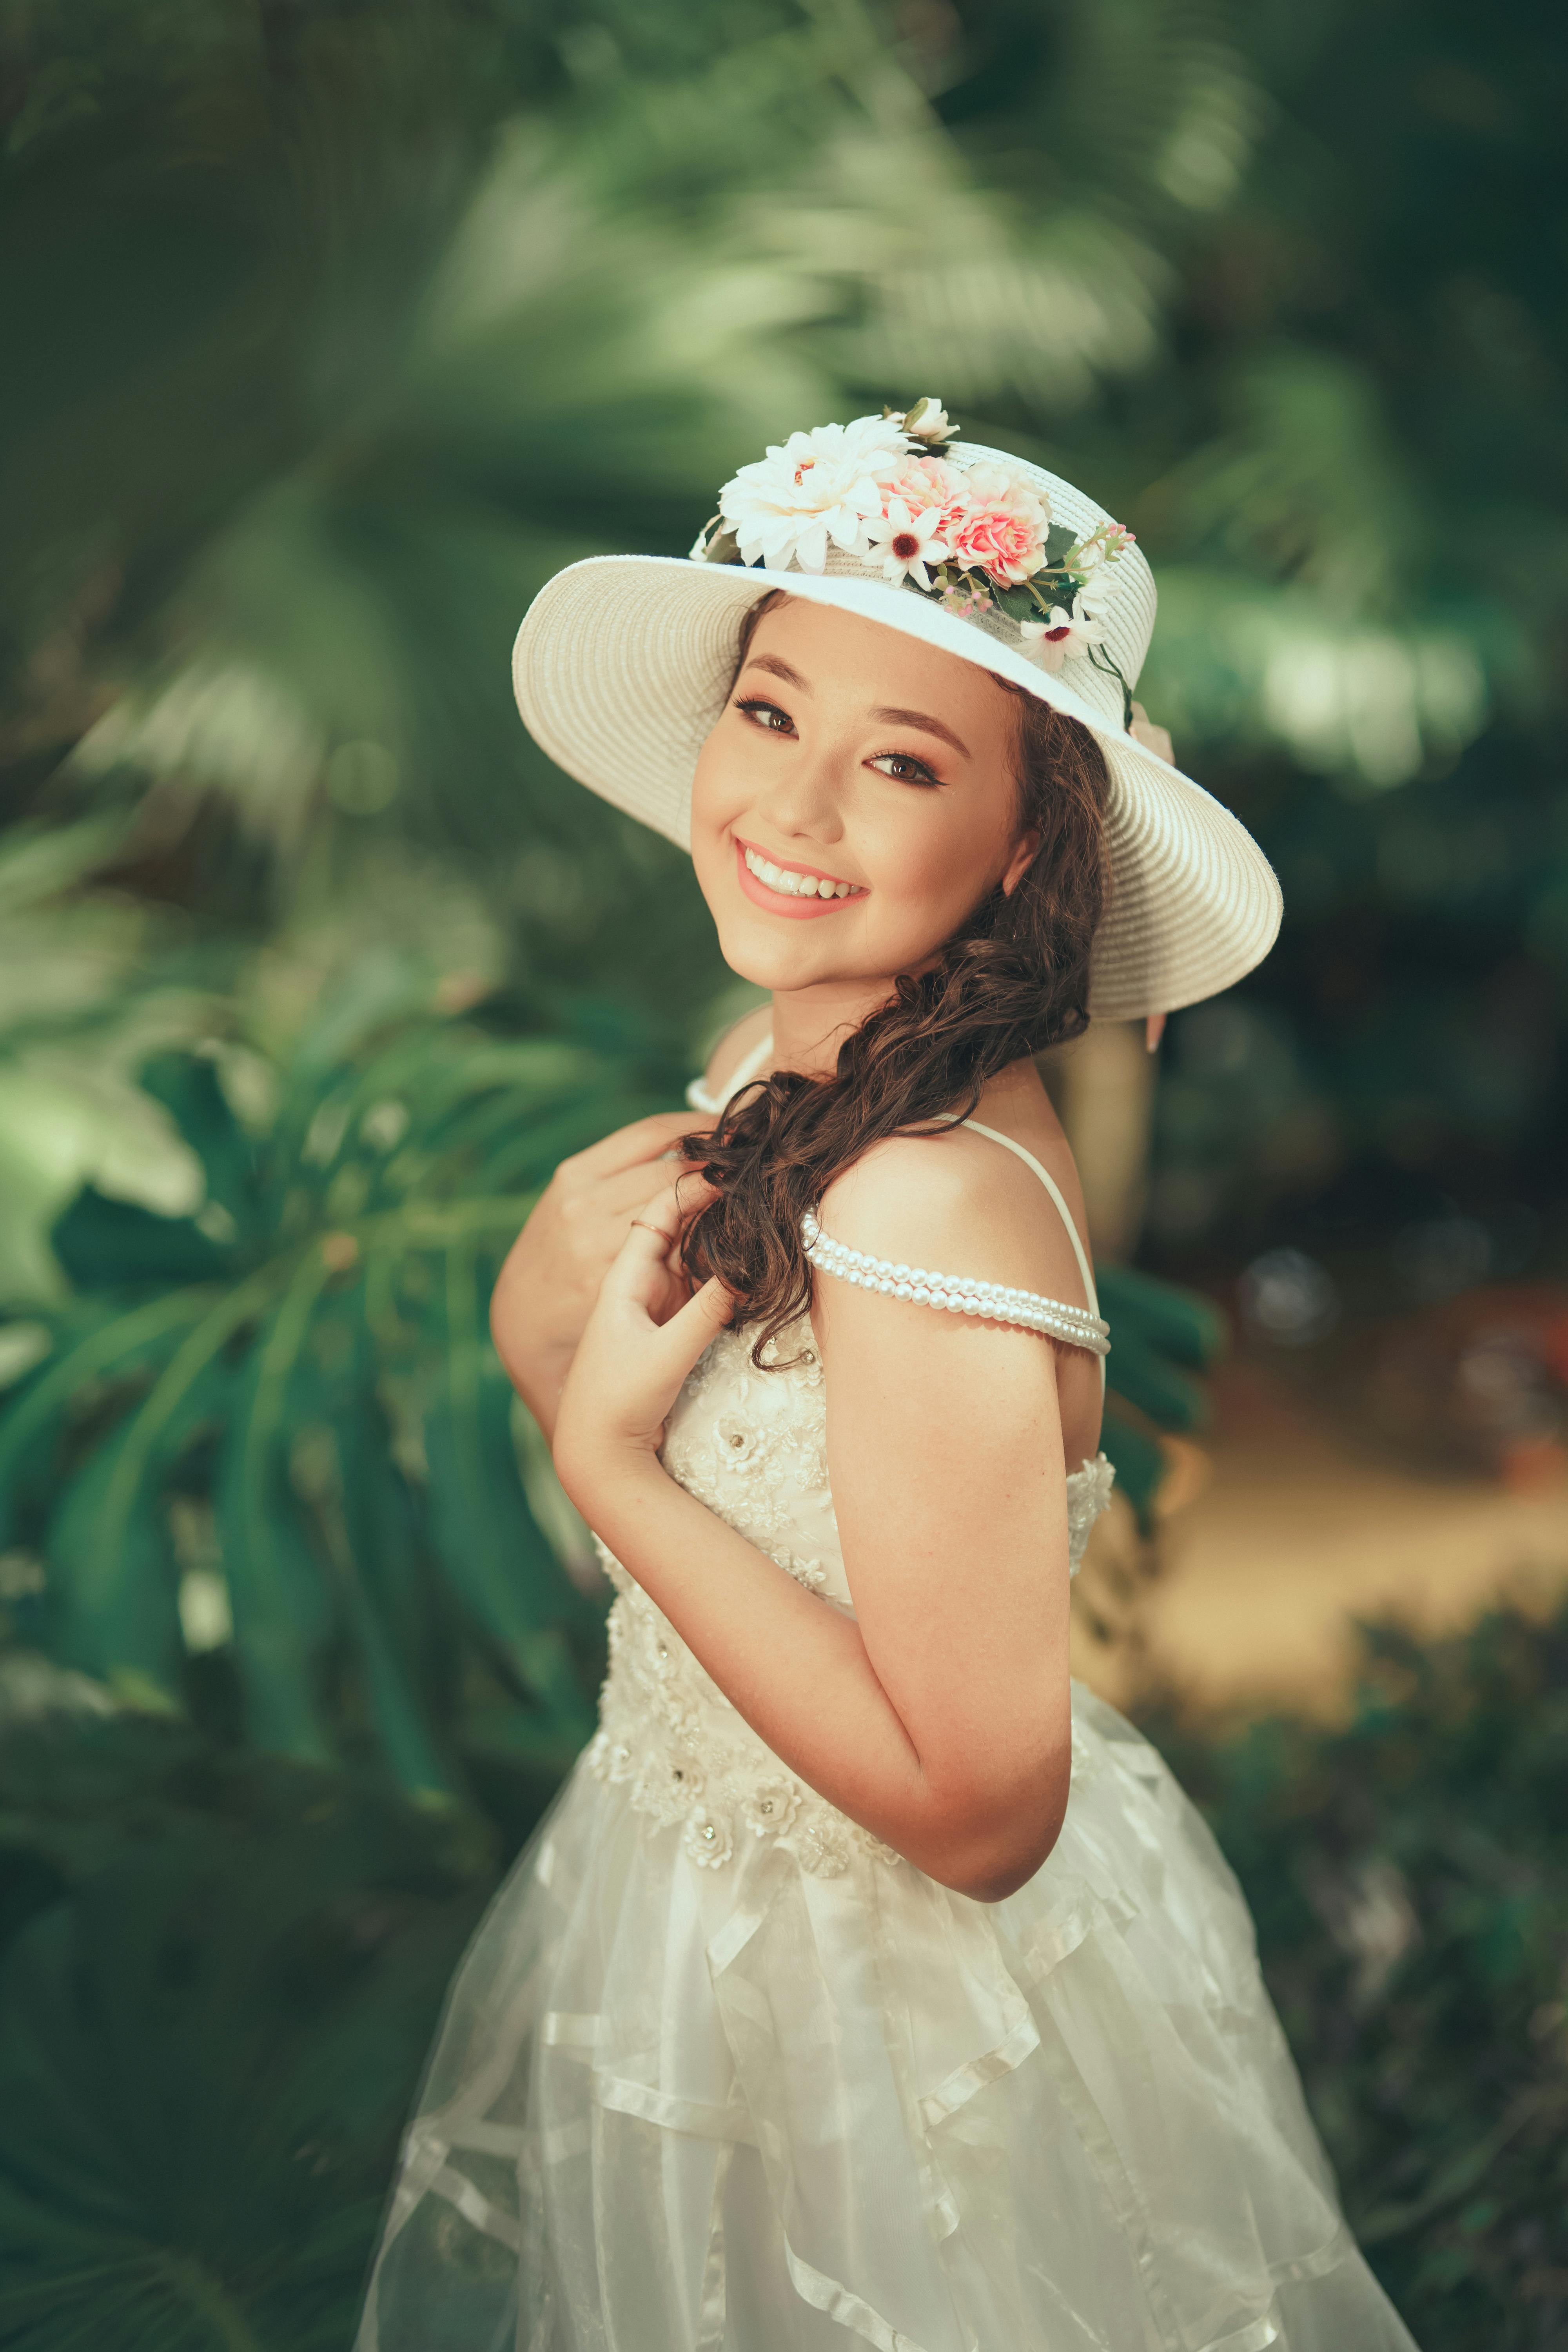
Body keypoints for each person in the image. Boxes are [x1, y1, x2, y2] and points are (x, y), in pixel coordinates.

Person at [358, 404, 1418, 2350]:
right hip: (700, 1911)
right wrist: (544, 1339)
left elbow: (978, 1805)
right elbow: (757, 1598)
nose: (795, 809)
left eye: (902, 760)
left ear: (1021, 844)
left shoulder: (923, 1203)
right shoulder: (821, 1073)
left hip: (872, 2004)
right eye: (769, 712)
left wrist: (608, 1456)